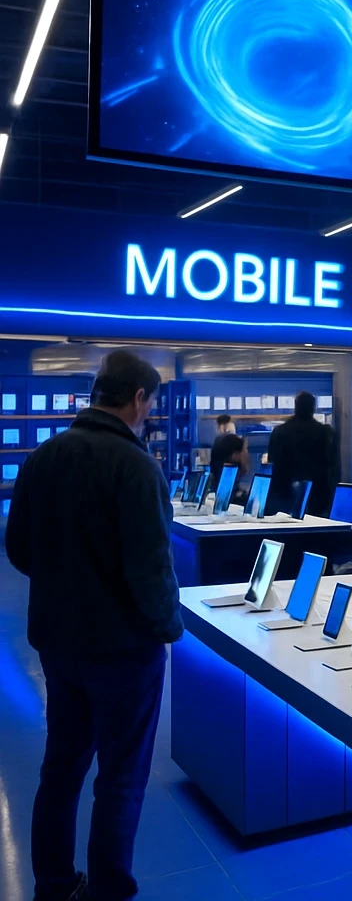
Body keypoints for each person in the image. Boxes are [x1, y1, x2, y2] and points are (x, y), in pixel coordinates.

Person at [5, 349, 182, 901]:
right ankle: (109, 891)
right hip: (125, 648)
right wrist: (167, 629)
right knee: (121, 778)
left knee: (61, 768)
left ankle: (54, 886)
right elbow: (150, 569)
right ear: (138, 399)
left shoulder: (44, 457)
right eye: (149, 403)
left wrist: (65, 586)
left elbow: (18, 548)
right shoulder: (137, 467)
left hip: (60, 644)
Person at [267, 390, 338, 517]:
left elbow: (272, 458)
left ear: (295, 406)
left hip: (284, 491)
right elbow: (332, 463)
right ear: (313, 407)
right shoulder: (324, 433)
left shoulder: (280, 431)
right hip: (317, 493)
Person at [209, 431, 249, 501]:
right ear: (235, 456)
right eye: (245, 450)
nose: (247, 455)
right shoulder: (239, 500)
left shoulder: (211, 492)